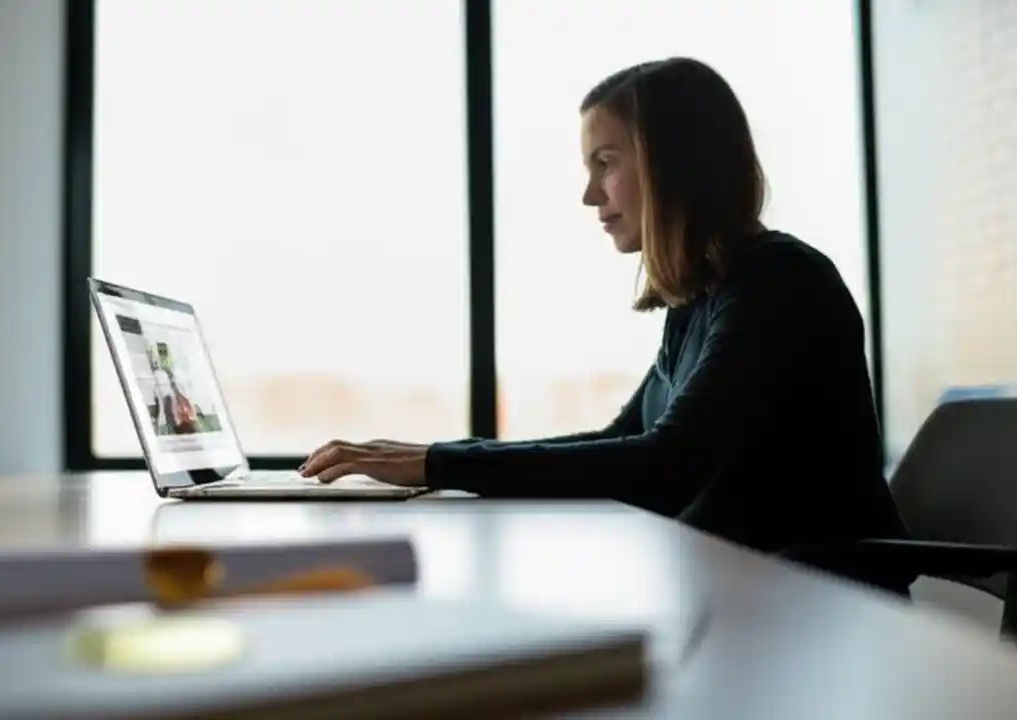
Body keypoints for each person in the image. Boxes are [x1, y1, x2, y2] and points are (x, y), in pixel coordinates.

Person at [299, 57, 911, 593]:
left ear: (675, 163)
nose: (591, 195)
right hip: (740, 593)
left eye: (606, 162)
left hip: (810, 611)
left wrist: (439, 463)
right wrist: (436, 459)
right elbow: (626, 436)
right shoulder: (702, 295)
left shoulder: (778, 282)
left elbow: (663, 466)